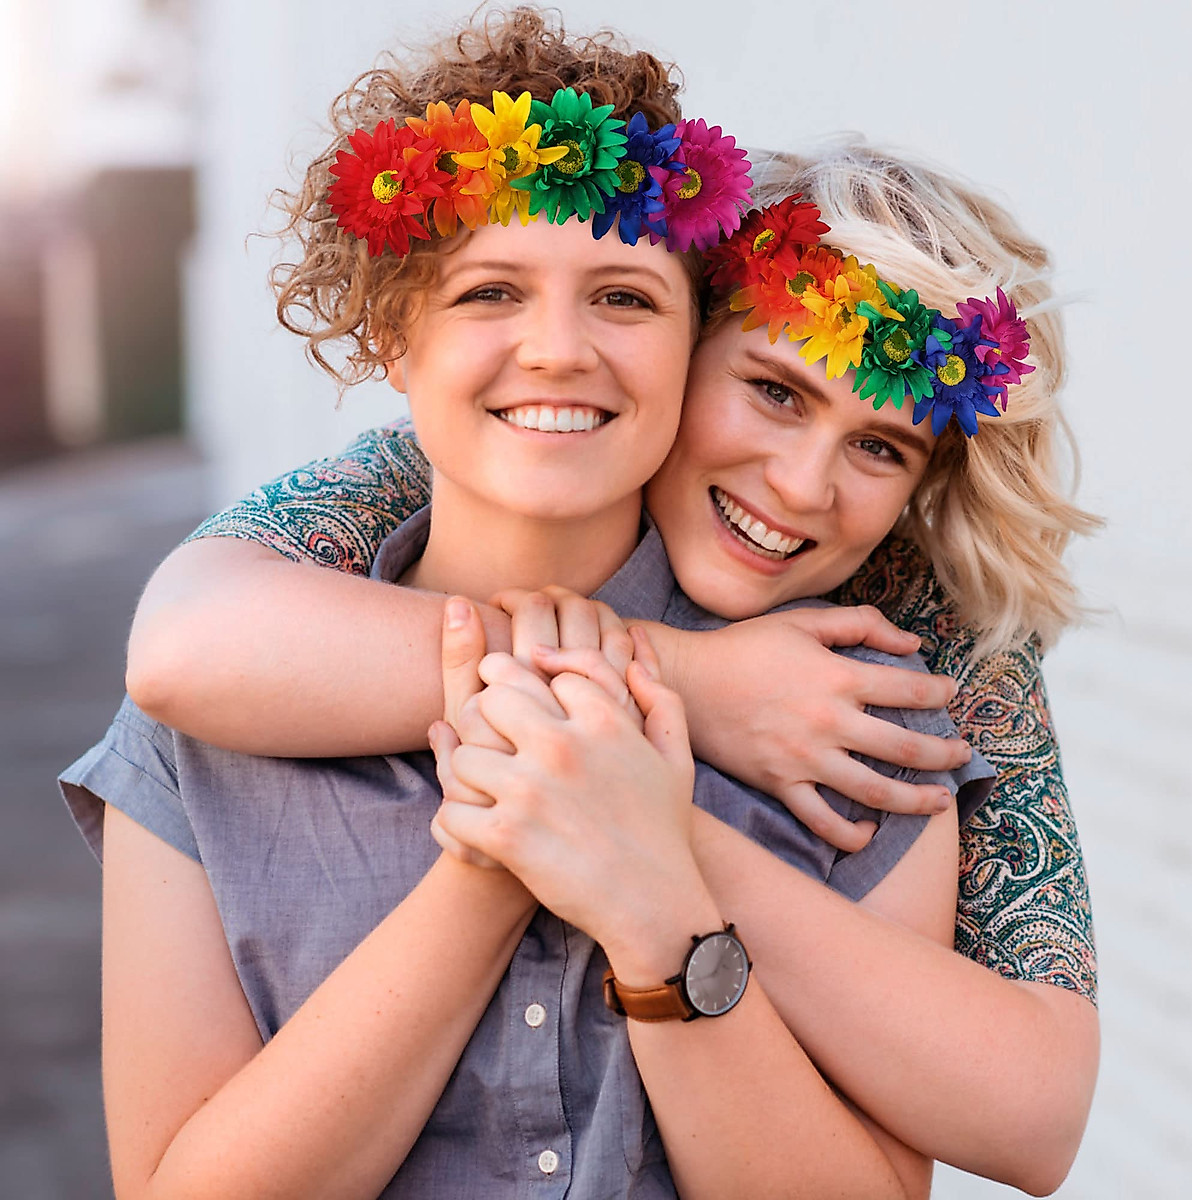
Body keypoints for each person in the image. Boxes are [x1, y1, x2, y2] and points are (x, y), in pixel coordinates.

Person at [58, 13, 992, 1199]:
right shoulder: (203, 733)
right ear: (394, 338)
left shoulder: (845, 727)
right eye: (491, 290)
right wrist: (499, 851)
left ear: (696, 344)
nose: (556, 349)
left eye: (624, 298)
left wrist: (657, 907)